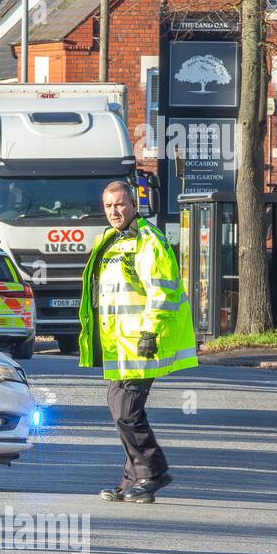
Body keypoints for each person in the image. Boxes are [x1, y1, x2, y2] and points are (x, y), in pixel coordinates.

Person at [79, 181, 196, 504]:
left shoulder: (148, 240)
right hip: (119, 346)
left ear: (133, 203)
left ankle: (154, 472)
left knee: (128, 411)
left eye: (119, 204)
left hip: (142, 344)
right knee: (120, 412)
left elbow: (161, 291)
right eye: (108, 206)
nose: (114, 211)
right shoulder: (111, 240)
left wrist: (149, 333)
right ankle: (133, 479)